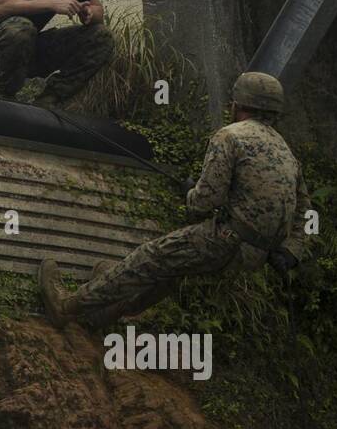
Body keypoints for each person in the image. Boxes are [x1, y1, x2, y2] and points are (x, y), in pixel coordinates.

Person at [39, 72, 310, 329]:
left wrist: (190, 192)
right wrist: (291, 252)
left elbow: (204, 202)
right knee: (172, 271)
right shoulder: (286, 152)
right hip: (256, 254)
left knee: (150, 256)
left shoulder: (231, 135)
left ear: (238, 103)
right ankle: (107, 312)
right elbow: (303, 211)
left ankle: (67, 306)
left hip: (227, 239)